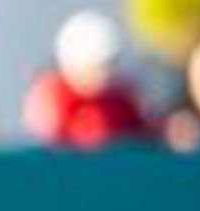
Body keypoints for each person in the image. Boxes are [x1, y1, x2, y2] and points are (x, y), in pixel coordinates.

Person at [23, 10, 150, 150]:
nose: (102, 75)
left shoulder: (123, 100)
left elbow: (145, 138)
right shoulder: (52, 99)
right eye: (96, 67)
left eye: (108, 65)